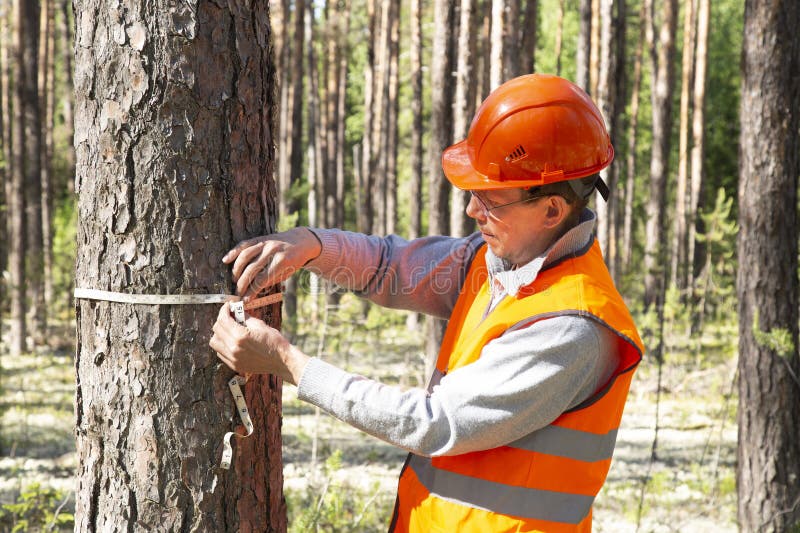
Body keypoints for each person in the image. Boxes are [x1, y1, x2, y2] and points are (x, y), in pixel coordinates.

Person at [210, 73, 644, 532]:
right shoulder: (494, 264)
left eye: (490, 198)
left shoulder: (571, 327)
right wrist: (313, 247)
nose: (472, 210)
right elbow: (391, 266)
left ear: (552, 210)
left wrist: (290, 364)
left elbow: (434, 423)